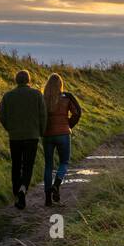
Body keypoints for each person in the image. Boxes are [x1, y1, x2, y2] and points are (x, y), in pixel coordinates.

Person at [0, 69, 47, 209]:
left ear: (16, 80)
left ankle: (16, 192)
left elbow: (2, 116)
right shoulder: (37, 95)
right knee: (28, 165)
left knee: (16, 165)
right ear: (28, 80)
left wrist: (10, 128)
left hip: (15, 137)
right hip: (32, 136)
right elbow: (43, 115)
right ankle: (23, 189)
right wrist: (41, 132)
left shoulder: (8, 96)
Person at [41, 72, 82, 206]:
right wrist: (69, 125)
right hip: (63, 134)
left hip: (47, 135)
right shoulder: (66, 97)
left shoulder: (43, 99)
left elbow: (40, 116)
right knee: (64, 162)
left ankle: (48, 199)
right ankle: (57, 184)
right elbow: (77, 113)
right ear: (60, 85)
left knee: (48, 165)